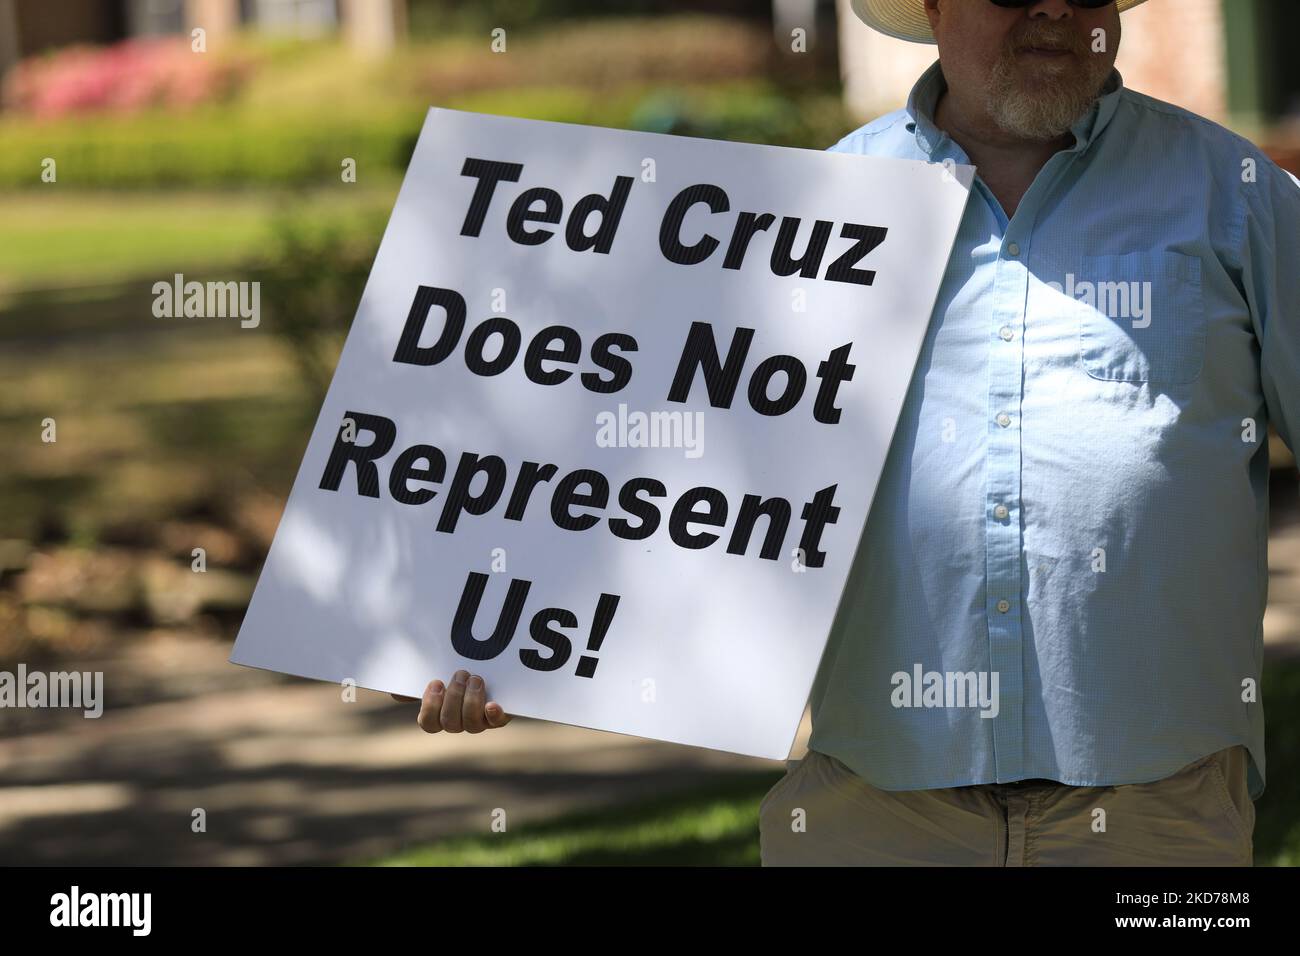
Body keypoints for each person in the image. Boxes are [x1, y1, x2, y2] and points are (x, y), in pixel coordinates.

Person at [398, 0, 1300, 866]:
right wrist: (507, 640)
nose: (1058, 10)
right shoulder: (819, 214)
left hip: (1159, 816)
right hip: (876, 815)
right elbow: (667, 471)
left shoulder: (1240, 198)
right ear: (934, 5)